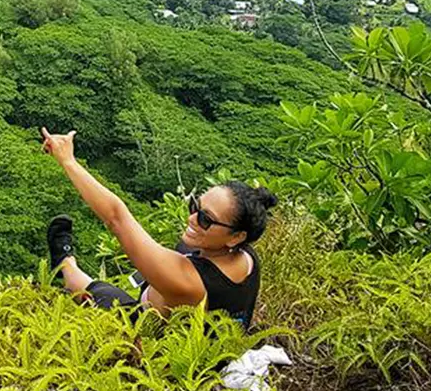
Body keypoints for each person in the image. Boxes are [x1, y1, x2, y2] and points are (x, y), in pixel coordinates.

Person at [40, 127, 276, 329]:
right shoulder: (247, 257)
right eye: (195, 206)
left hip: (148, 327)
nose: (192, 218)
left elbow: (116, 217)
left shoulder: (186, 281)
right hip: (201, 326)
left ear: (236, 236)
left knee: (100, 292)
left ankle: (65, 265)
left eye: (206, 219)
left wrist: (68, 161)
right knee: (183, 246)